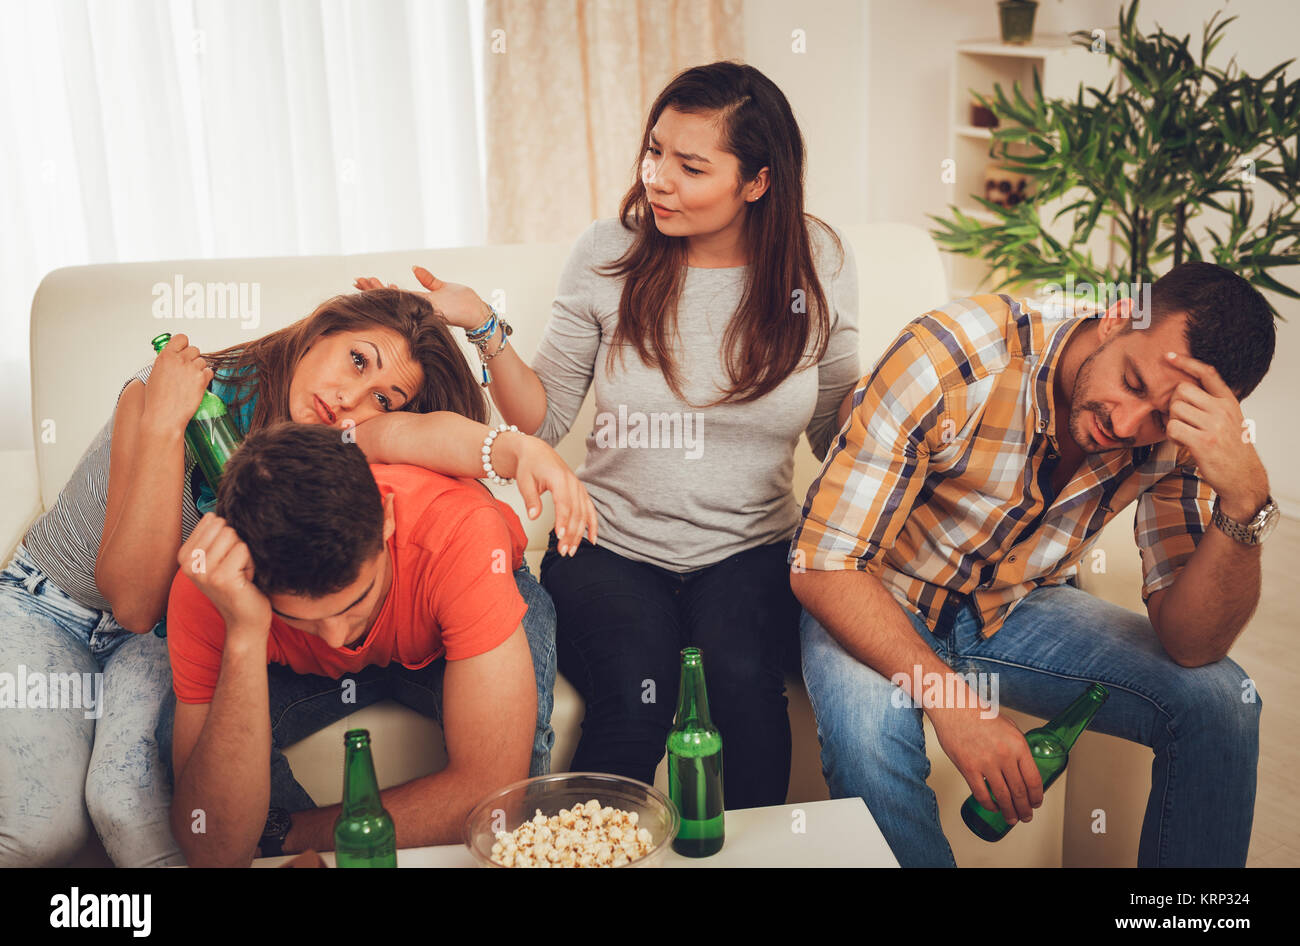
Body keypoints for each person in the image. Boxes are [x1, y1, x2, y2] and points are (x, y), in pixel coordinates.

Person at [357, 61, 860, 809]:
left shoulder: (816, 262)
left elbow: (836, 422)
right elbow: (541, 418)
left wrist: (904, 418)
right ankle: (591, 856)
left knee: (744, 691)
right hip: (609, 546)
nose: (658, 178)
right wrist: (485, 329)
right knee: (635, 703)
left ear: (756, 182)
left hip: (750, 549)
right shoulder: (607, 252)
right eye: (655, 151)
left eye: (691, 166)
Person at [0, 287, 589, 866]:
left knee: (126, 805)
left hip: (156, 632)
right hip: (69, 605)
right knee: (69, 822)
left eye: (385, 397)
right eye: (357, 361)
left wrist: (514, 450)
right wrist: (165, 424)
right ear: (319, 328)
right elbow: (133, 603)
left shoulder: (343, 448)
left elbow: (410, 433)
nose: (350, 398)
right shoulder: (190, 407)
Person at [791, 261, 1278, 866]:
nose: (1126, 426)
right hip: (877, 590)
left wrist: (1246, 500)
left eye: (1161, 418)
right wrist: (955, 705)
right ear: (1117, 317)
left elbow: (1192, 644)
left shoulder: (1184, 439)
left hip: (1014, 606)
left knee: (1223, 700)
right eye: (1131, 382)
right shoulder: (953, 353)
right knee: (868, 741)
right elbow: (823, 564)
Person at [159, 422, 536, 865]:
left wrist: (290, 832)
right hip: (310, 662)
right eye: (300, 617)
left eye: (355, 600)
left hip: (453, 606)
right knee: (178, 738)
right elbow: (212, 847)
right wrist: (245, 635)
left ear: (387, 518)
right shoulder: (209, 586)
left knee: (515, 822)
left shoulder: (460, 533)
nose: (338, 638)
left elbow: (493, 802)